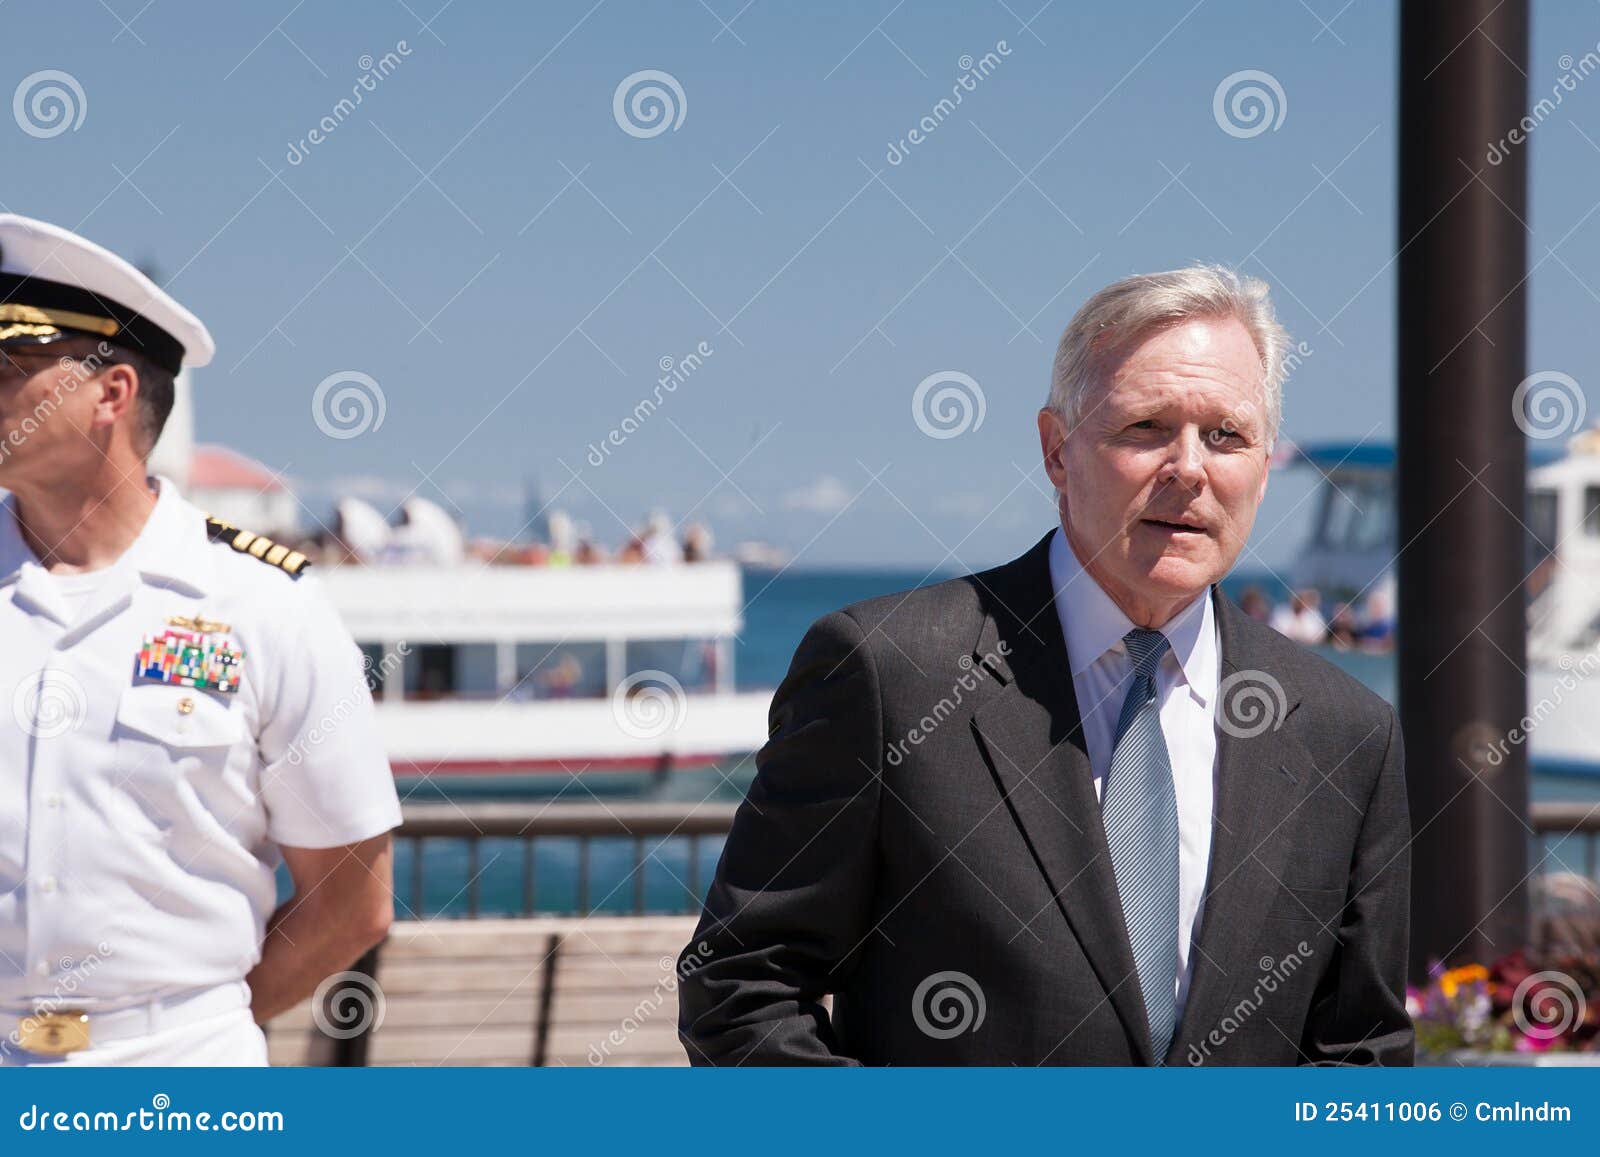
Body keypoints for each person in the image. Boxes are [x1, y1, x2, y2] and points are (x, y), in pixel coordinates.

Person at [679, 265, 1411, 1066]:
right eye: (1146, 427)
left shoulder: (1346, 733)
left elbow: (1358, 1051)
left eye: (1226, 435)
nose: (1190, 467)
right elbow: (742, 987)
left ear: (1265, 468)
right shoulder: (891, 675)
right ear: (1057, 451)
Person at [0, 214, 401, 1065]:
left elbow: (351, 900)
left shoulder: (264, 607)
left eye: (8, 366)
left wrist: (200, 1027)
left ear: (110, 395)